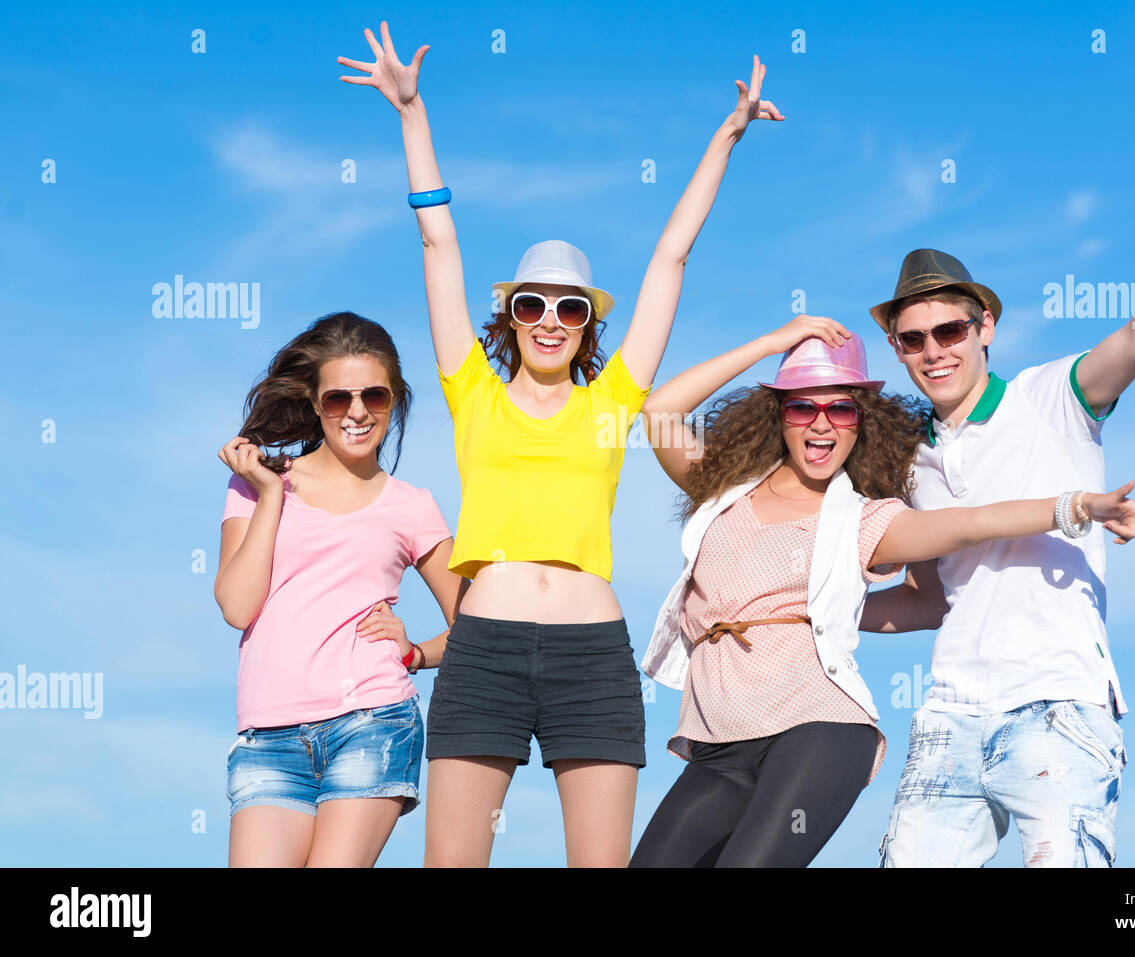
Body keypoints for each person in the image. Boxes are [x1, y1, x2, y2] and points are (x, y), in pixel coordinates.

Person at [338, 21, 784, 866]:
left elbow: (672, 257)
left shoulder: (613, 402)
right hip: (483, 652)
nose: (550, 321)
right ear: (510, 316)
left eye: (570, 308)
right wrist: (410, 114)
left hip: (592, 654)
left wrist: (726, 139)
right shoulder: (470, 390)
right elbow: (438, 241)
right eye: (532, 305)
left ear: (589, 327)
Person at [631, 317, 1135, 867]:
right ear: (778, 416)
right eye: (802, 407)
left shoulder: (865, 519)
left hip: (817, 731)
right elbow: (659, 410)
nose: (821, 424)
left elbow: (973, 523)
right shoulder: (725, 492)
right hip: (719, 743)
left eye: (840, 409)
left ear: (859, 423)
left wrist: (1076, 506)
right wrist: (774, 342)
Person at [862, 164, 1135, 867]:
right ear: (897, 348)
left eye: (951, 329)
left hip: (1057, 706)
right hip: (948, 717)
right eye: (914, 339)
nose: (934, 350)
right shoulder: (912, 464)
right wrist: (822, 606)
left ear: (985, 324)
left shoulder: (1050, 396)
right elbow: (929, 597)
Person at [215, 311, 464, 867]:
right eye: (338, 399)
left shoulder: (411, 504)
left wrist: (417, 652)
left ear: (393, 399)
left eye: (373, 396)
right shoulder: (255, 483)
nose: (356, 413)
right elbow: (237, 606)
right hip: (267, 739)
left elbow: (475, 624)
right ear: (314, 402)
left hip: (372, 723)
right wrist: (272, 496)